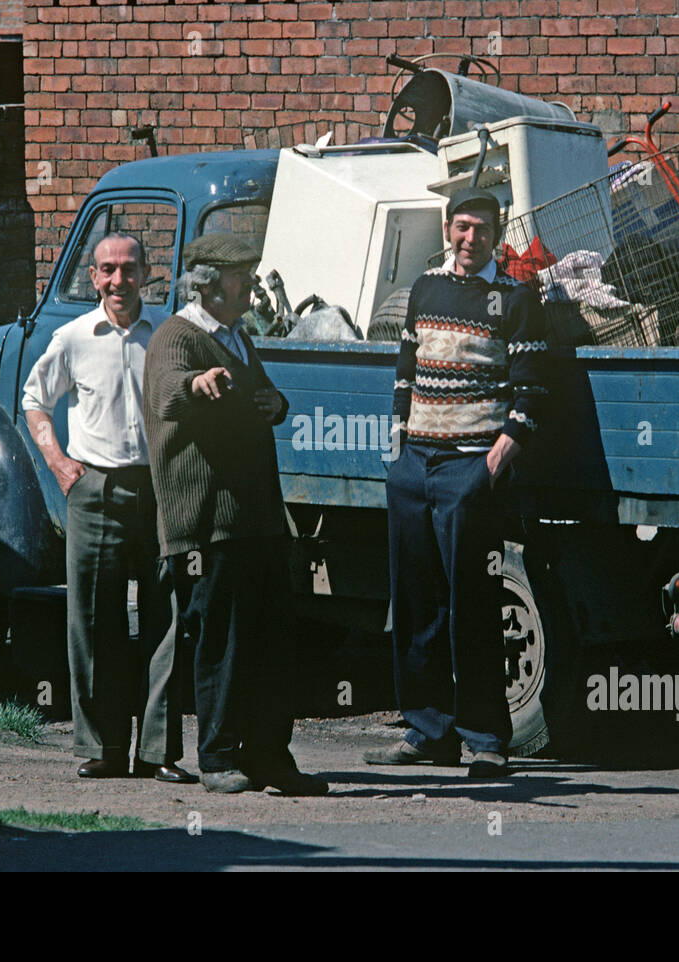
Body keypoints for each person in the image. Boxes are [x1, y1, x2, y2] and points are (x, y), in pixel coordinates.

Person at [364, 188, 551, 778]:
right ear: (448, 229)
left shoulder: (516, 298)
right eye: (462, 228)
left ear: (498, 235)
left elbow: (532, 395)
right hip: (414, 466)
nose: (471, 240)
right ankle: (427, 730)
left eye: (483, 230)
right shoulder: (425, 289)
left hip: (471, 469)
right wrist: (398, 448)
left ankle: (485, 738)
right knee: (416, 603)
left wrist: (491, 466)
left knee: (473, 604)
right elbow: (404, 372)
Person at [143, 232, 328, 796]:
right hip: (208, 524)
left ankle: (271, 757)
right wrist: (196, 384)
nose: (250, 282)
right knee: (220, 640)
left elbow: (265, 394)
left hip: (258, 521)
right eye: (239, 274)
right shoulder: (178, 336)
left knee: (272, 640)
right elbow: (165, 393)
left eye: (251, 272)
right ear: (206, 281)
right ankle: (219, 758)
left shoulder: (239, 336)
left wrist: (277, 405)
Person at [22, 232, 195, 783]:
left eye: (128, 268)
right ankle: (102, 747)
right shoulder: (72, 338)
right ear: (93, 277)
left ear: (147, 273)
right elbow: (34, 401)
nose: (118, 280)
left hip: (161, 492)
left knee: (166, 620)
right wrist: (57, 463)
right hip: (94, 492)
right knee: (94, 620)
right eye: (107, 270)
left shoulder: (168, 337)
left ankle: (157, 754)